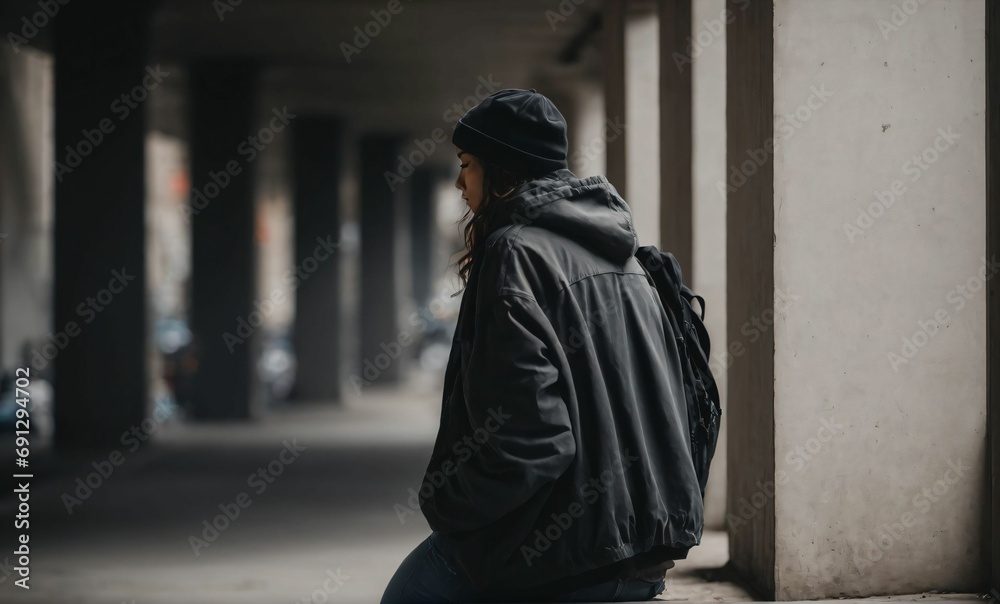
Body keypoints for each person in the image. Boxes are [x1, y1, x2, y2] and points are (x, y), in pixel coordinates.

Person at [381, 88, 703, 603]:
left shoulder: (513, 254)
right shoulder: (624, 254)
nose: (460, 182)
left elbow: (530, 442)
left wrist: (445, 503)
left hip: (566, 556)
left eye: (467, 165)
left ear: (502, 170)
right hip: (645, 552)